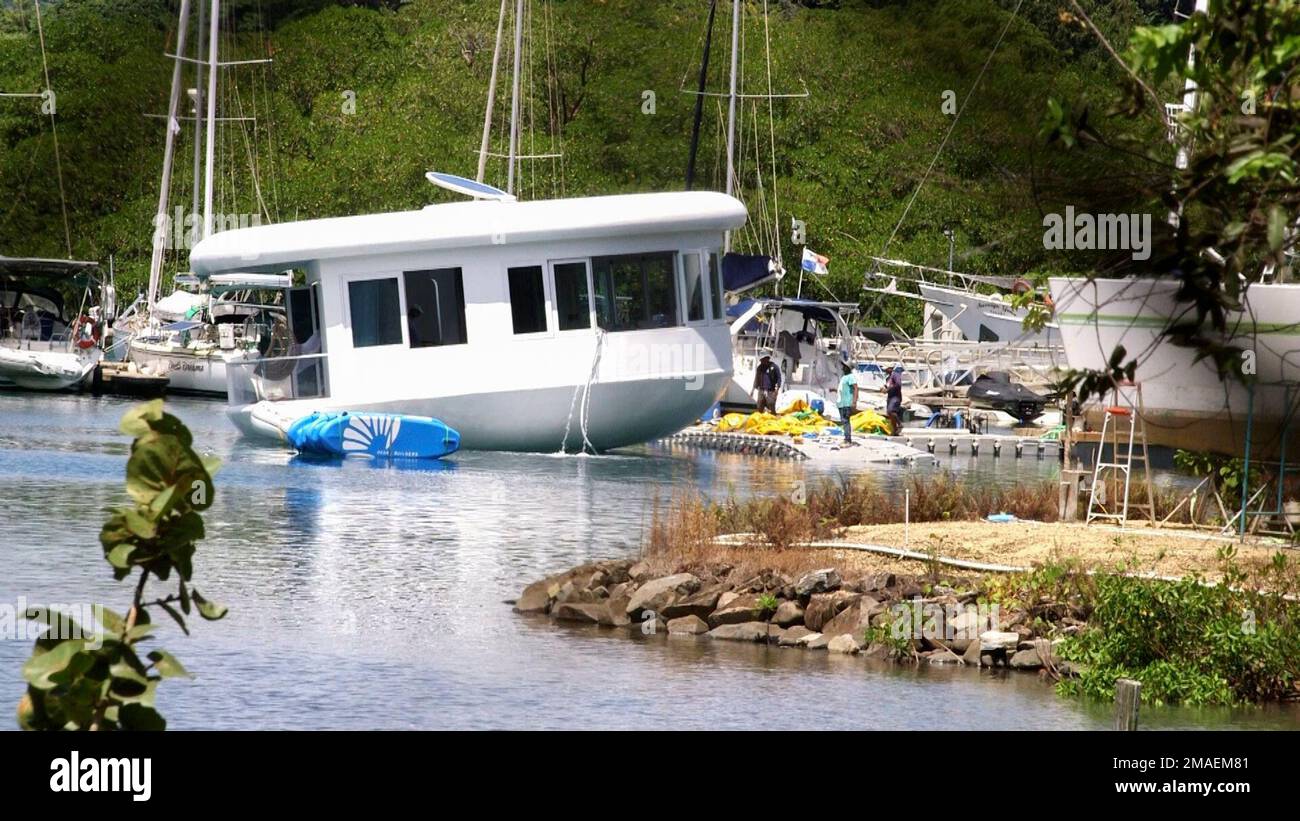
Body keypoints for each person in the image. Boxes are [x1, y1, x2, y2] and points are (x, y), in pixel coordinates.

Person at [838, 363, 859, 444]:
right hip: (842, 402)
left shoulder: (851, 377)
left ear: (847, 368)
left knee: (846, 421)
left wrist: (854, 401)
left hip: (847, 403)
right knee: (844, 421)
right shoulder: (844, 377)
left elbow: (856, 388)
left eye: (844, 366)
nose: (842, 368)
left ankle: (847, 439)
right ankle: (846, 438)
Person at [885, 364, 904, 435]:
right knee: (889, 414)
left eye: (886, 369)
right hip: (890, 397)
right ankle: (895, 429)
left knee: (891, 411)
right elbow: (887, 386)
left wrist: (889, 389)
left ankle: (899, 424)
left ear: (890, 368)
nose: (885, 370)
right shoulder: (887, 378)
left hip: (895, 397)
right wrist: (884, 389)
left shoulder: (895, 375)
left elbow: (898, 385)